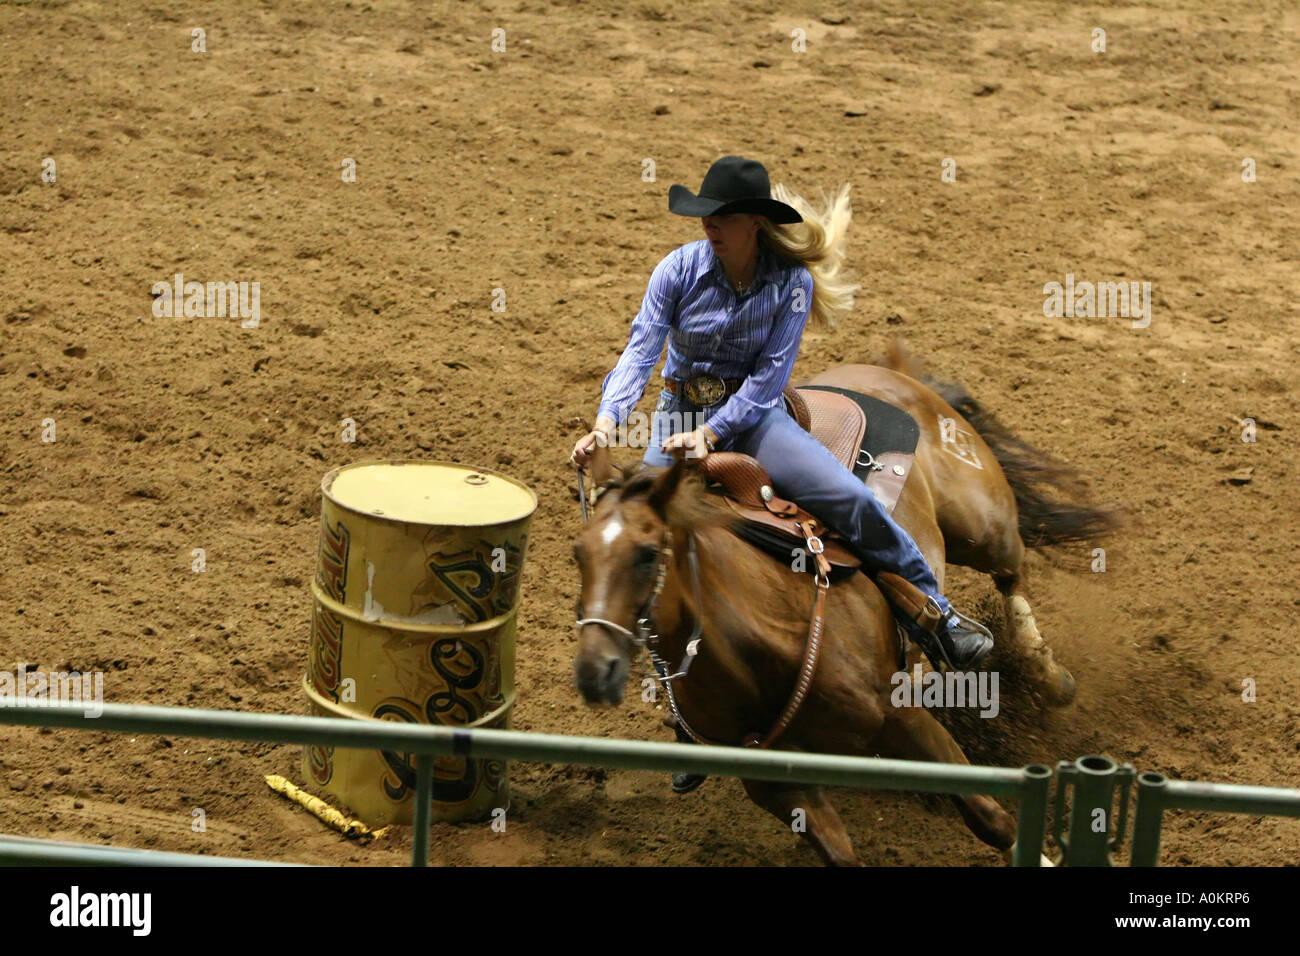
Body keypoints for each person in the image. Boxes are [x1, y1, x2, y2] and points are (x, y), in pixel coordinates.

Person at [569, 156, 992, 791]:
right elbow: (641, 348)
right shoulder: (677, 270)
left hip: (754, 417)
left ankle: (937, 612)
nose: (711, 226)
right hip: (678, 408)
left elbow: (769, 379)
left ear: (756, 225)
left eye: (726, 217)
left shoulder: (789, 283)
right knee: (634, 537)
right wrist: (606, 424)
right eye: (707, 216)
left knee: (849, 499)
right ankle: (688, 718)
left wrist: (711, 434)